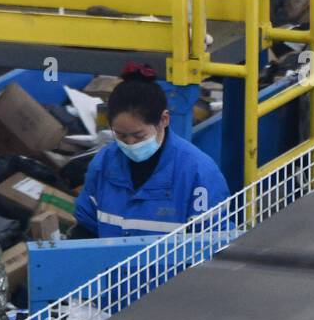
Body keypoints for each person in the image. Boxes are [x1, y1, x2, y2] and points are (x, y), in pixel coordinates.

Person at [71, 65, 229, 240]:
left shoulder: (198, 173)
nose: (130, 143)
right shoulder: (104, 163)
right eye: (121, 135)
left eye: (139, 135)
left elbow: (213, 244)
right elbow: (86, 227)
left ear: (164, 120)